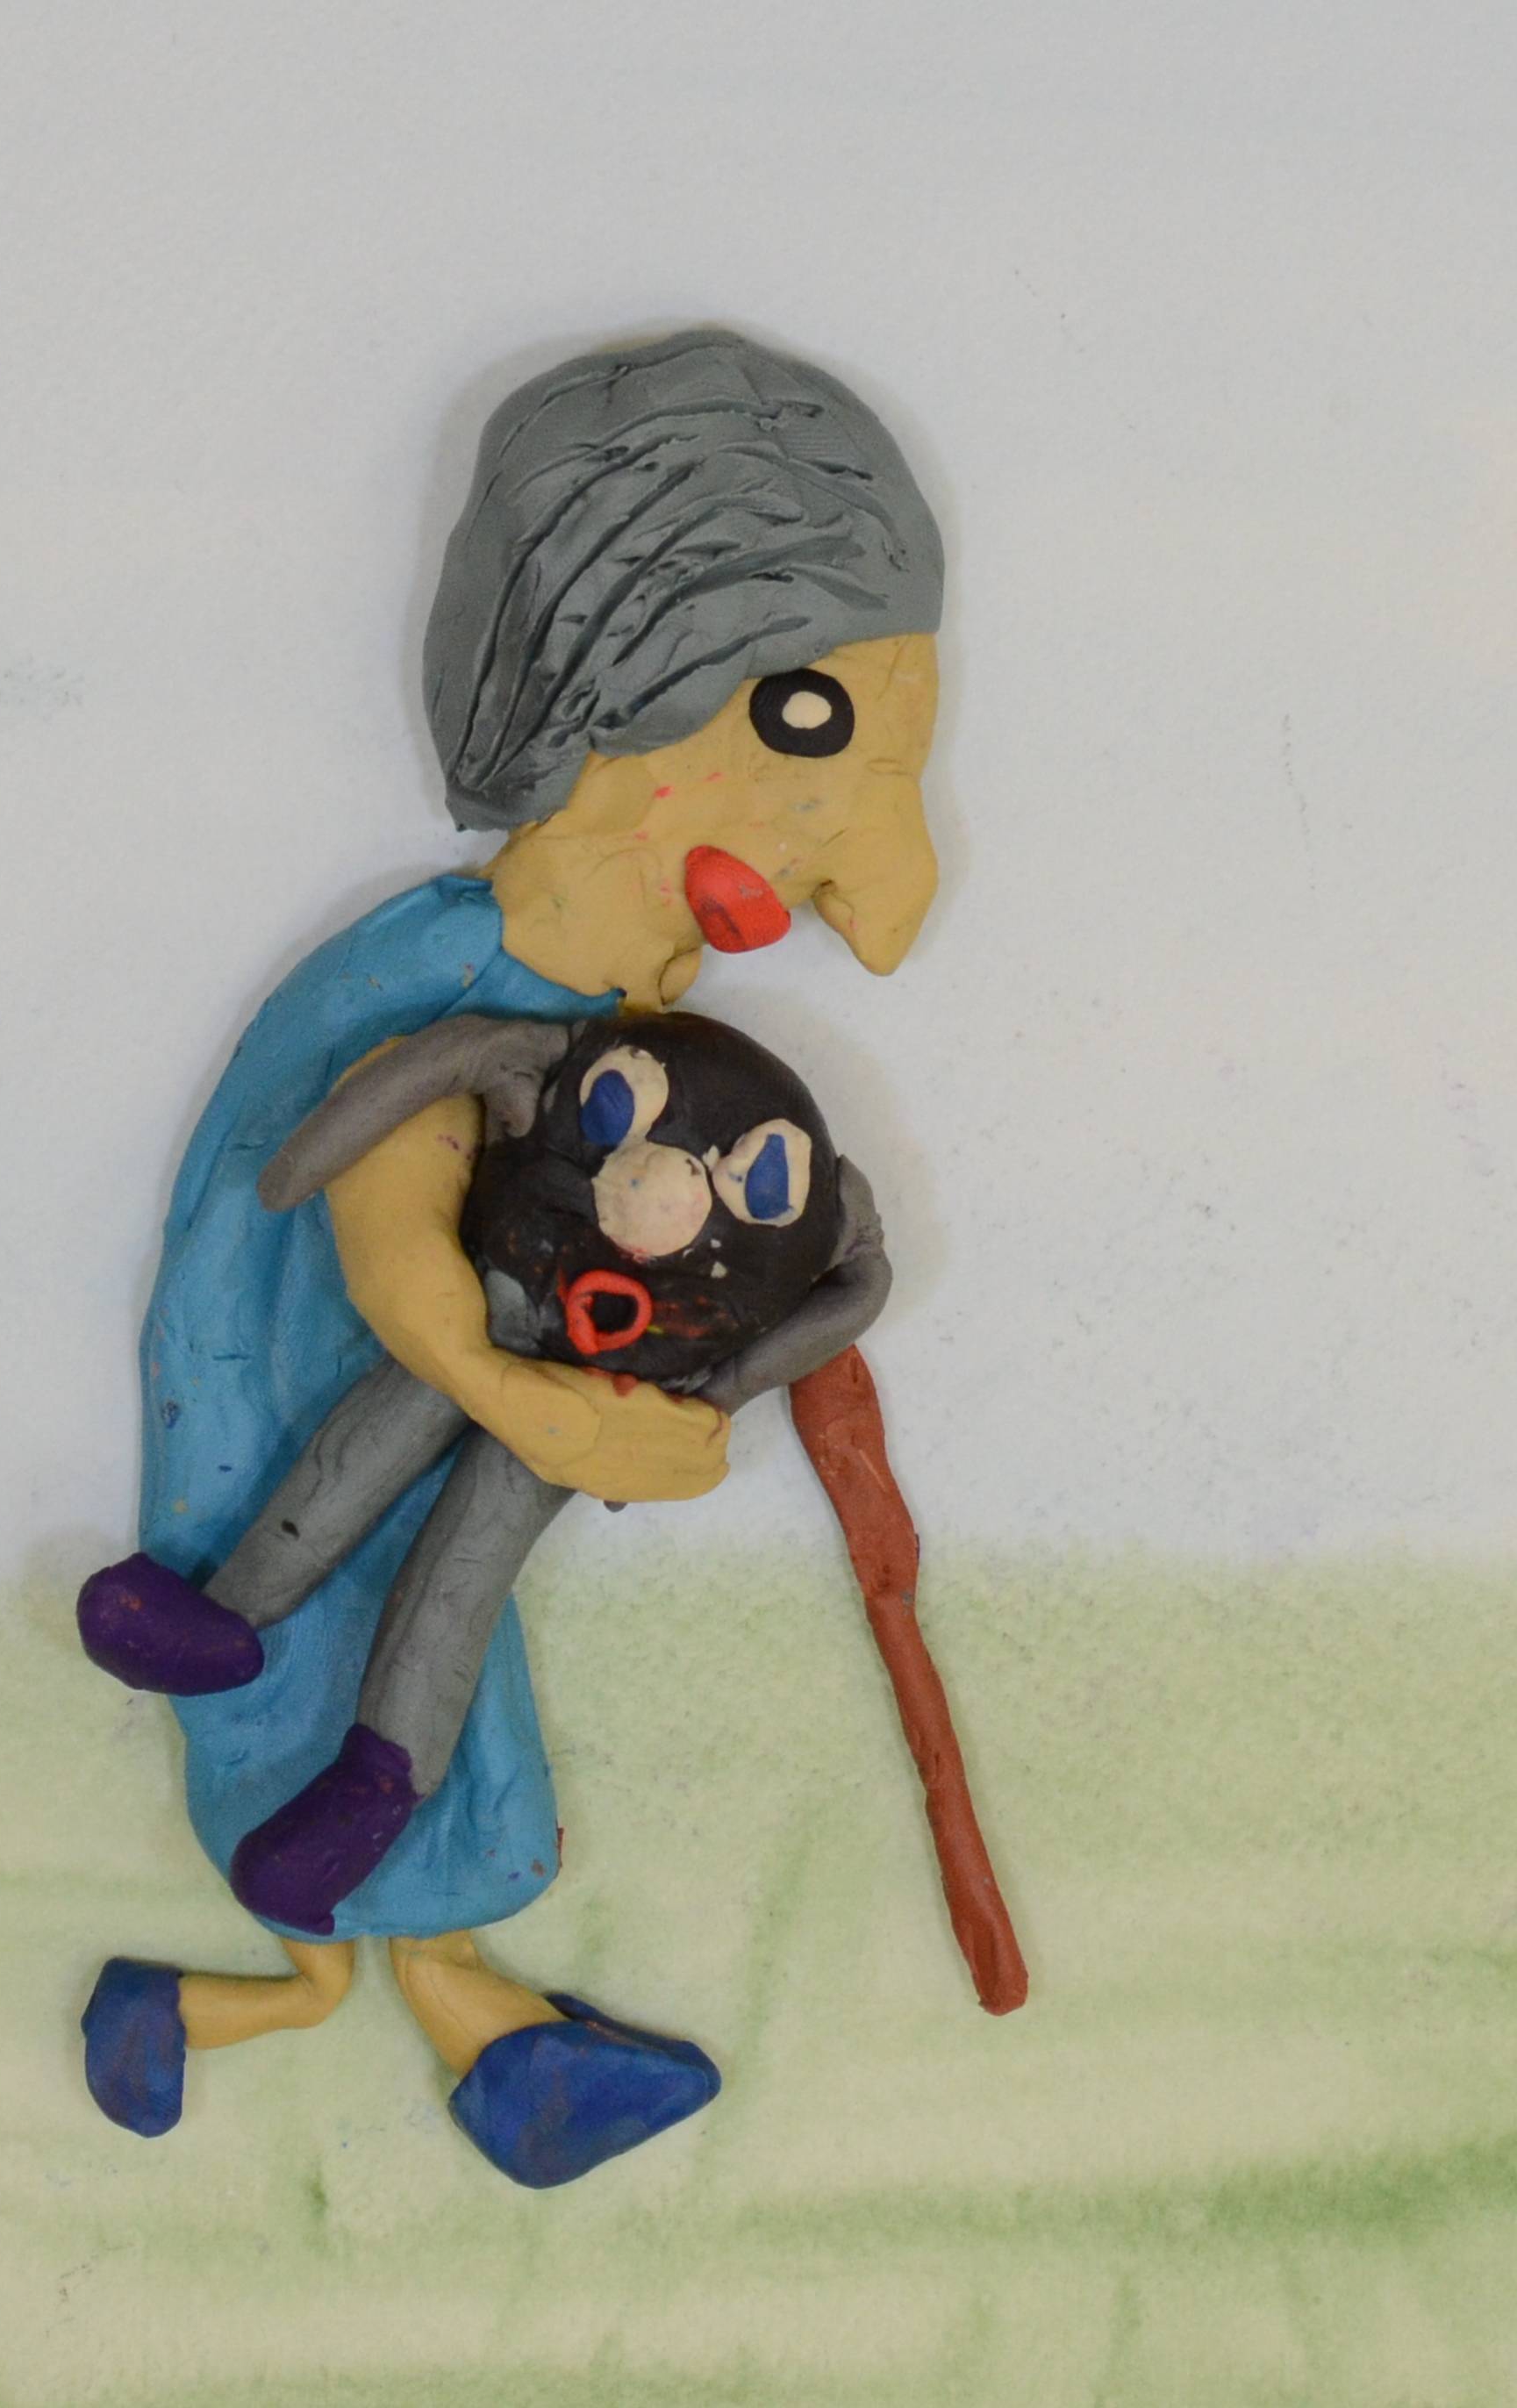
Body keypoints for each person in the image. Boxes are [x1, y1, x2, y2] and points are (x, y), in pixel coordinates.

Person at [66, 328, 946, 2189]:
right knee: (354, 1664)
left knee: (414, 1664)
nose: (879, 907)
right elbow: (387, 1217)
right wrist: (523, 1398)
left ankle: (297, 2010)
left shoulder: (583, 1008)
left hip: (452, 1385)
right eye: (809, 725)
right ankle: (431, 2023)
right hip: (326, 1381)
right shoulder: (453, 982)